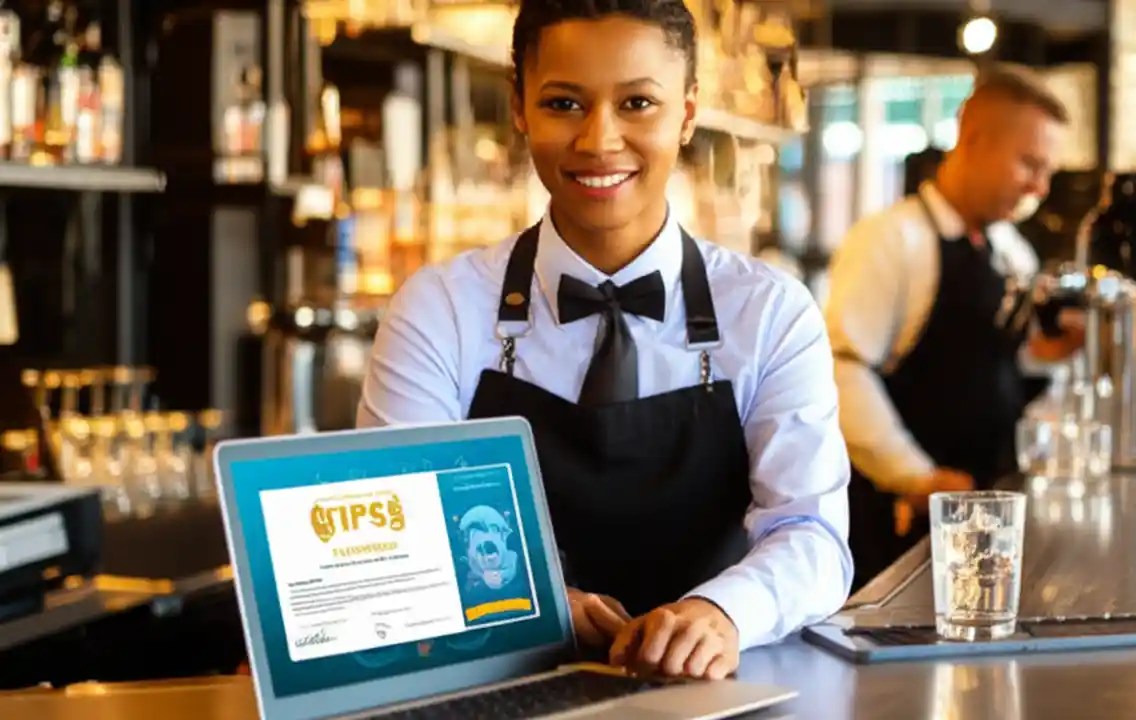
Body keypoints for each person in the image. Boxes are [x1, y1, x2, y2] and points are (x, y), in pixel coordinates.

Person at [357, 0, 852, 680]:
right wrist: (529, 605)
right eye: (564, 103)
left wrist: (722, 613)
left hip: (706, 690)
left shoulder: (768, 313)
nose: (599, 140)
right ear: (520, 109)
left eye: (638, 103)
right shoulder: (440, 310)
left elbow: (813, 534)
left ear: (687, 114)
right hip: (501, 684)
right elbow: (393, 534)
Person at [824, 65, 1082, 591]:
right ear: (975, 140)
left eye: (1048, 170)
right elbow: (844, 370)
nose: (1040, 186)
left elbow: (996, 362)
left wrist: (1050, 354)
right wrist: (916, 476)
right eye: (1029, 164)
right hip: (903, 519)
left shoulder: (1013, 249)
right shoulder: (890, 240)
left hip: (985, 512)